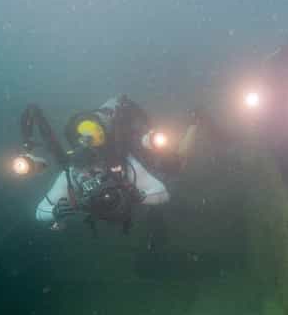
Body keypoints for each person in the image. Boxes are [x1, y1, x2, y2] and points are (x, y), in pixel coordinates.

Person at [20, 95, 197, 234]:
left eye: (95, 169)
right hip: (123, 202)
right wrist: (56, 213)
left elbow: (163, 194)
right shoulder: (72, 174)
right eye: (86, 170)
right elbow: (40, 212)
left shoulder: (124, 165)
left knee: (176, 166)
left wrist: (139, 197)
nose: (92, 177)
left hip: (133, 186)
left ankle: (195, 123)